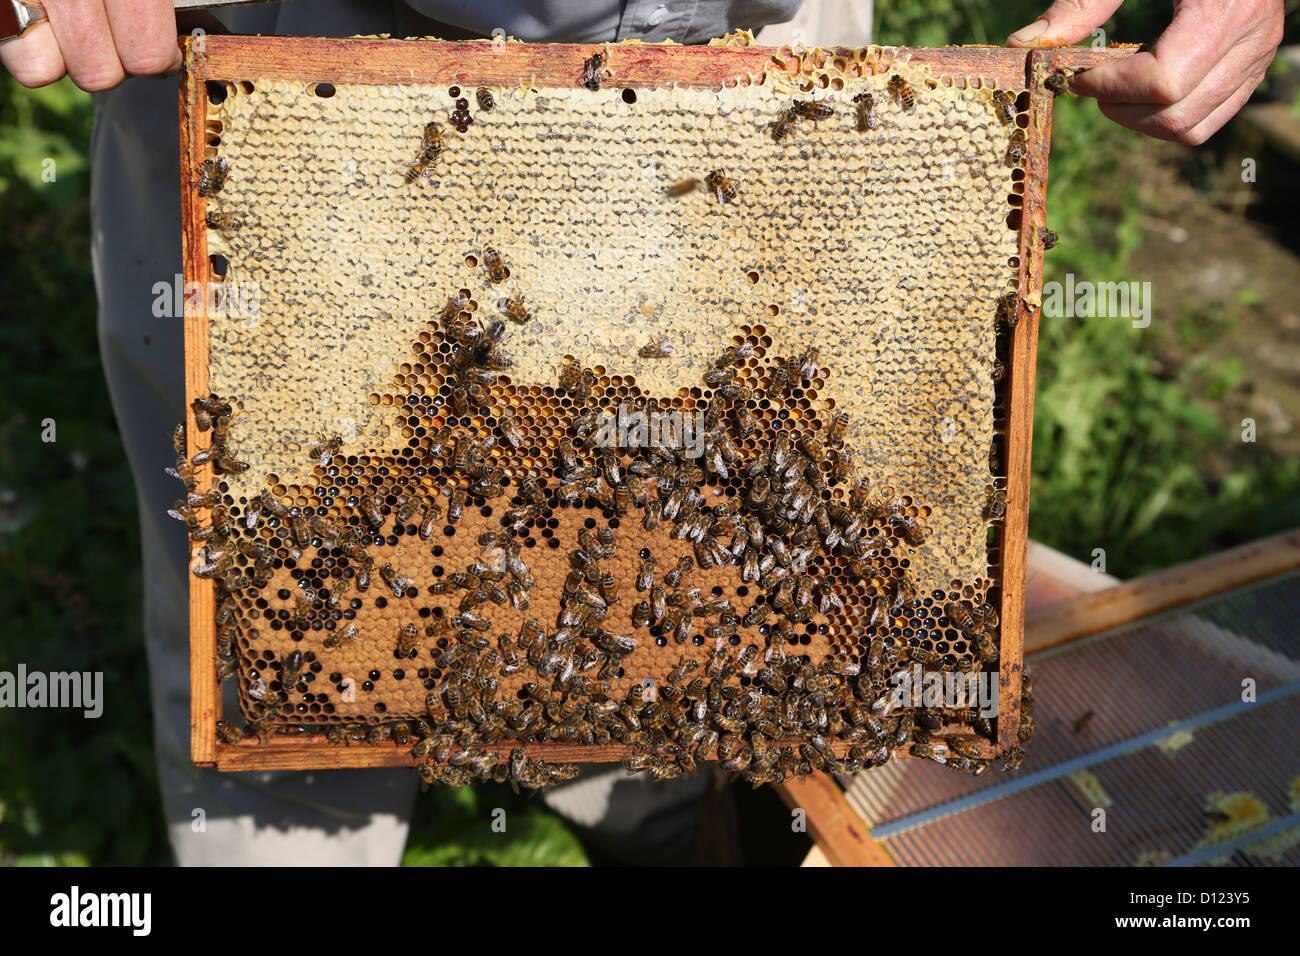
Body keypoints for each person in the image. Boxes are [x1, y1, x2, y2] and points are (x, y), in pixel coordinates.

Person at [0, 0, 1284, 865]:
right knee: (305, 615)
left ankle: (662, 800)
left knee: (720, 606)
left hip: (773, 55)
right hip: (311, 60)